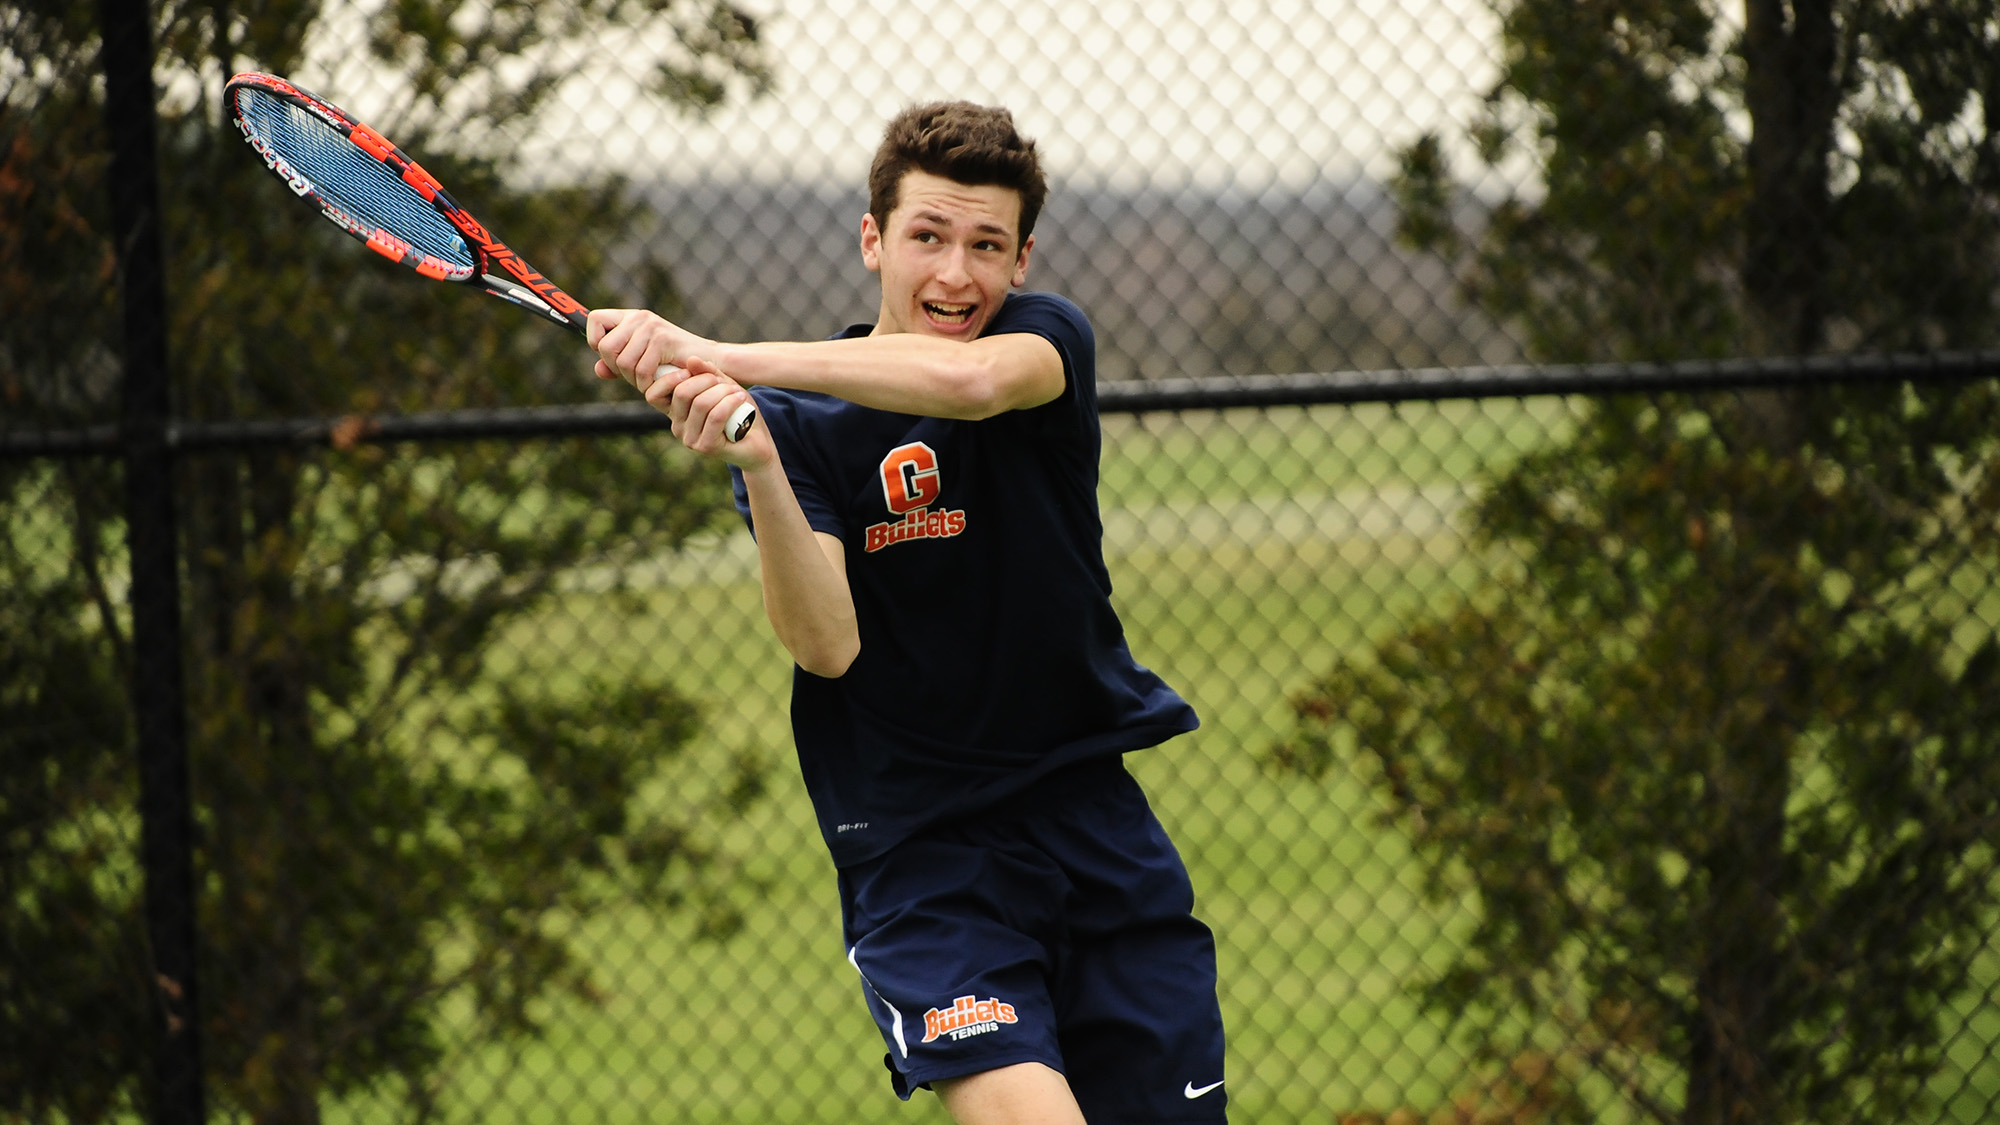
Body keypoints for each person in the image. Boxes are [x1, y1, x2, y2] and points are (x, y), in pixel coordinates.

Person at [588, 101, 1227, 1124]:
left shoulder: (1042, 344)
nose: (955, 275)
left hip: (1094, 826)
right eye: (927, 236)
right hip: (925, 859)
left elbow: (966, 382)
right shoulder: (794, 427)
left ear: (1022, 260)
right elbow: (825, 644)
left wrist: (723, 352)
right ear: (872, 240)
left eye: (987, 246)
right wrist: (760, 460)